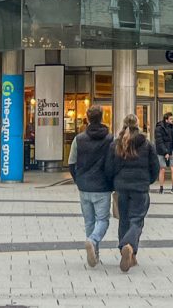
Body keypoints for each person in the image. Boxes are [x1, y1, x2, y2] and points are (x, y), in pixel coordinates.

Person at [105, 113, 158, 273]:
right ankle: (129, 246)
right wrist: (148, 181)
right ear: (138, 124)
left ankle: (127, 252)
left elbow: (109, 167)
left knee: (124, 220)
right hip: (140, 188)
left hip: (121, 188)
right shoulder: (147, 144)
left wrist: (113, 183)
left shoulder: (116, 144)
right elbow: (154, 167)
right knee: (137, 220)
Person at [68, 104, 113, 267]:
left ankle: (95, 253)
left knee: (89, 222)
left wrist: (78, 179)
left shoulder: (78, 139)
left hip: (84, 186)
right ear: (102, 117)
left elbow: (71, 162)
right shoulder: (110, 139)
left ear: (87, 118)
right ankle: (93, 241)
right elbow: (113, 162)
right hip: (102, 186)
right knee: (103, 220)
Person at [153, 111, 173, 195]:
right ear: (166, 120)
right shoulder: (159, 128)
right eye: (171, 119)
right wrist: (165, 152)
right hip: (162, 151)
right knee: (162, 169)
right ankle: (161, 188)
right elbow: (159, 141)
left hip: (172, 150)